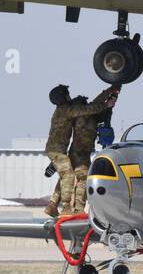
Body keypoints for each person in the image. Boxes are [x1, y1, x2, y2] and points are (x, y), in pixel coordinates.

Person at [43, 84, 111, 218]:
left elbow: (92, 105)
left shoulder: (63, 110)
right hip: (59, 151)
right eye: (67, 94)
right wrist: (106, 105)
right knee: (70, 176)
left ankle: (52, 205)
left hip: (58, 151)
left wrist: (110, 91)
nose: (70, 96)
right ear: (63, 97)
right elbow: (89, 108)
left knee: (65, 176)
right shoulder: (68, 110)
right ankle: (67, 207)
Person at [67, 84, 121, 211]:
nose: (86, 105)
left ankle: (74, 207)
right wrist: (106, 104)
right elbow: (96, 105)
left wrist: (112, 91)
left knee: (79, 180)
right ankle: (78, 209)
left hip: (83, 151)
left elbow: (98, 101)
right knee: (83, 179)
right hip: (78, 152)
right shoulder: (81, 113)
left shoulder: (90, 113)